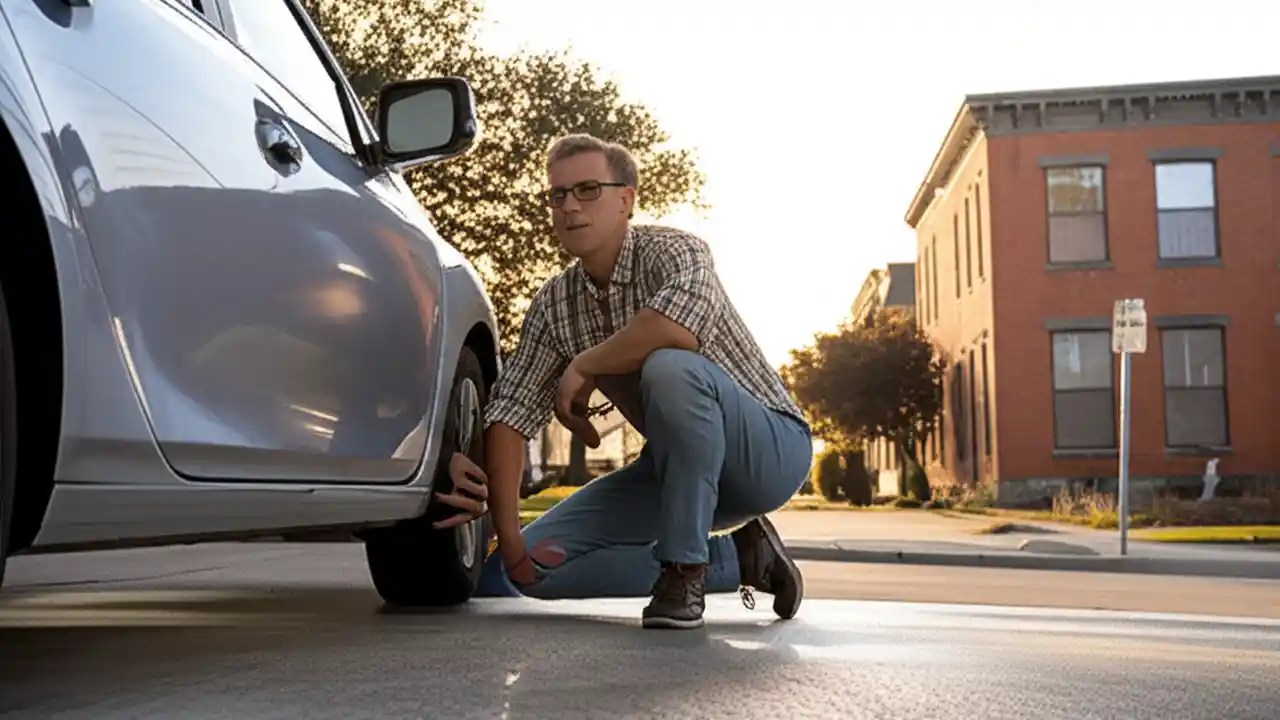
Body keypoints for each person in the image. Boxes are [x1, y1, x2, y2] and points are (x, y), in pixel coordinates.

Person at [431, 133, 813, 629]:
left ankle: (681, 570)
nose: (570, 205)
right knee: (532, 569)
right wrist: (507, 538)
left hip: (767, 452)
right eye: (558, 194)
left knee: (670, 366)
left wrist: (585, 365)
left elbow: (676, 331)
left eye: (588, 189)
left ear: (625, 200)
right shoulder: (554, 304)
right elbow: (509, 414)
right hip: (673, 472)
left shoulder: (677, 252)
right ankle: (739, 560)